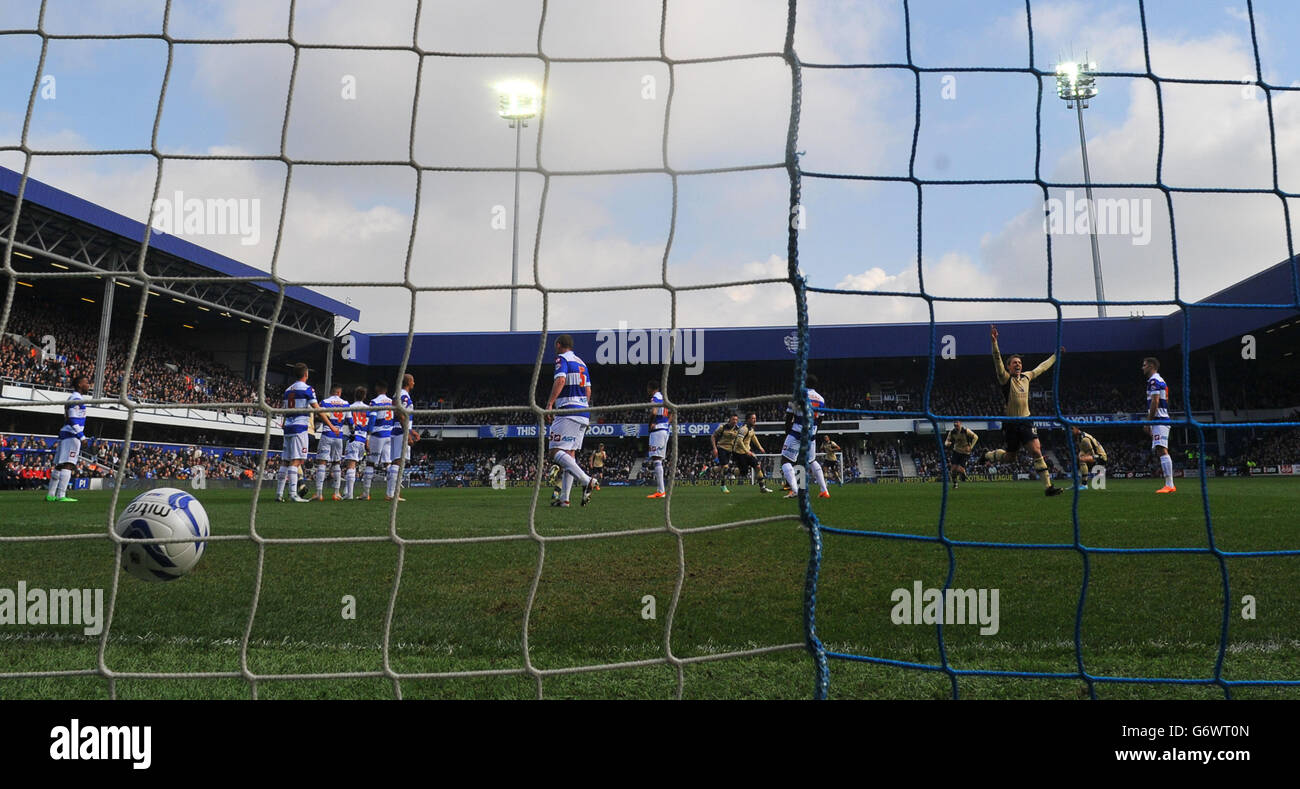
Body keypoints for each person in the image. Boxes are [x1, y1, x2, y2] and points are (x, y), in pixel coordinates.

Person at [982, 325, 1065, 497]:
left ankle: (1048, 488)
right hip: (1011, 423)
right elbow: (997, 360)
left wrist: (1056, 356)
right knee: (1010, 458)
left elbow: (1042, 367)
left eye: (1019, 362)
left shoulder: (1027, 376)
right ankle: (989, 455)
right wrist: (994, 342)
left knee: (1036, 450)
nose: (1018, 364)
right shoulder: (1005, 378)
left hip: (1026, 421)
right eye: (1014, 363)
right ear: (1009, 367)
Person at [544, 335, 597, 507]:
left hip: (568, 410)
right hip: (583, 411)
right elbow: (588, 391)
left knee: (554, 451)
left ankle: (587, 480)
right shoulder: (582, 362)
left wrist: (550, 403)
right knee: (569, 455)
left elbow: (560, 380)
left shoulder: (561, 358)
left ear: (559, 345)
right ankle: (564, 499)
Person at [781, 374, 830, 499]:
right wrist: (814, 432)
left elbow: (788, 417)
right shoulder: (820, 399)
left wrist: (787, 433)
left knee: (786, 461)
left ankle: (795, 490)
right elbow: (821, 419)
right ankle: (824, 490)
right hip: (811, 433)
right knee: (812, 460)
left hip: (797, 431)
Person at [276, 363, 317, 503]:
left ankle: (279, 494)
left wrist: (284, 424)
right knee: (297, 460)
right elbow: (317, 409)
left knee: (285, 461)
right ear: (306, 374)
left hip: (288, 427)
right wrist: (330, 424)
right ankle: (293, 494)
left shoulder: (288, 390)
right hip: (300, 428)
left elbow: (285, 410)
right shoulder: (307, 389)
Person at [46, 374, 90, 503]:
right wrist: (81, 436)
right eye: (86, 382)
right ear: (79, 385)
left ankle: (51, 494)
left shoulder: (72, 398)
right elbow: (72, 418)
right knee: (68, 464)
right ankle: (61, 495)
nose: (88, 385)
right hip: (72, 435)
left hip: (65, 433)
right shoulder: (76, 398)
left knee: (59, 465)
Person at [1143, 357, 1176, 493]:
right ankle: (1169, 484)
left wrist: (1149, 422)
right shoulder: (1158, 380)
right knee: (1160, 449)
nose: (1142, 368)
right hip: (1160, 418)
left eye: (1144, 365)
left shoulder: (1154, 381)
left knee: (1162, 449)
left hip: (1159, 419)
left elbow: (1155, 402)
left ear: (1151, 366)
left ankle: (1169, 484)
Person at [315, 384, 349, 501]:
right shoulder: (345, 403)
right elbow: (349, 420)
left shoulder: (325, 402)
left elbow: (319, 415)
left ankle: (319, 493)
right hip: (339, 435)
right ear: (339, 393)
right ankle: (336, 493)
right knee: (337, 463)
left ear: (331, 392)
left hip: (327, 433)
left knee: (322, 463)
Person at [387, 373, 415, 502]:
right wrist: (407, 433)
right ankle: (392, 494)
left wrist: (412, 431)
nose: (414, 383)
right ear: (408, 382)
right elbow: (399, 414)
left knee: (397, 462)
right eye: (412, 381)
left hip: (400, 430)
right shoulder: (403, 395)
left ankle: (391, 493)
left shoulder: (401, 394)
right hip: (400, 431)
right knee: (398, 462)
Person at [364, 380, 394, 501]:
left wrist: (368, 437)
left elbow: (372, 420)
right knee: (388, 464)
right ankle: (390, 494)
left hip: (378, 434)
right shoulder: (392, 402)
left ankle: (366, 493)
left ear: (377, 388)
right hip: (389, 434)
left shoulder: (375, 402)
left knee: (370, 463)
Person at [342, 385, 370, 500]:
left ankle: (349, 494)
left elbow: (346, 421)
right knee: (355, 466)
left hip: (353, 437)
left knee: (351, 466)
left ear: (354, 395)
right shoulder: (369, 409)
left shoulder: (350, 407)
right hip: (363, 439)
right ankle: (347, 491)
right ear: (364, 396)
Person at [737, 412, 772, 493]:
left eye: (755, 418)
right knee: (743, 472)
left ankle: (762, 487)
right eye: (753, 418)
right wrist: (746, 451)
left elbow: (754, 437)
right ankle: (728, 471)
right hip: (741, 452)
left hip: (747, 452)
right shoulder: (743, 429)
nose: (754, 420)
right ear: (748, 419)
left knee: (758, 467)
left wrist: (760, 447)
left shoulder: (751, 429)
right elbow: (739, 441)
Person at [646, 382, 669, 499]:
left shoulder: (655, 398)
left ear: (651, 388)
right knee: (658, 459)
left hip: (658, 430)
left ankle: (661, 491)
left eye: (648, 388)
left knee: (656, 459)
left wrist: (651, 423)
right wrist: (667, 423)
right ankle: (661, 490)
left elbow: (654, 412)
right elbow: (673, 413)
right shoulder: (664, 398)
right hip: (664, 429)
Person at [711, 414, 742, 493]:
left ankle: (708, 470)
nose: (735, 421)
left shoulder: (737, 429)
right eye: (733, 419)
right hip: (721, 448)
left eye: (736, 420)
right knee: (725, 467)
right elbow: (713, 436)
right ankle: (723, 486)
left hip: (730, 450)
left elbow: (739, 440)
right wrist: (714, 448)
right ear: (730, 420)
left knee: (721, 468)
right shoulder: (722, 427)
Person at [944, 420, 979, 489]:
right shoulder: (952, 432)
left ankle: (963, 473)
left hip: (965, 452)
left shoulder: (966, 431)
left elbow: (976, 437)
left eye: (957, 424)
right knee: (953, 469)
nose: (956, 426)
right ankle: (955, 483)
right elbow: (947, 440)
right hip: (956, 451)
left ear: (960, 424)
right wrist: (947, 443)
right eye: (955, 425)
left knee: (959, 469)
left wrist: (971, 447)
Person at [1071, 425, 1107, 490]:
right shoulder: (1079, 437)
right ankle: (1075, 484)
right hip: (1094, 455)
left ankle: (1084, 485)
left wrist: (1082, 457)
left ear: (1077, 428)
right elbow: (1082, 451)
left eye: (1072, 429)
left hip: (1100, 456)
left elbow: (1091, 452)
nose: (1070, 431)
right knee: (1076, 461)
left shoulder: (1084, 439)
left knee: (1082, 460)